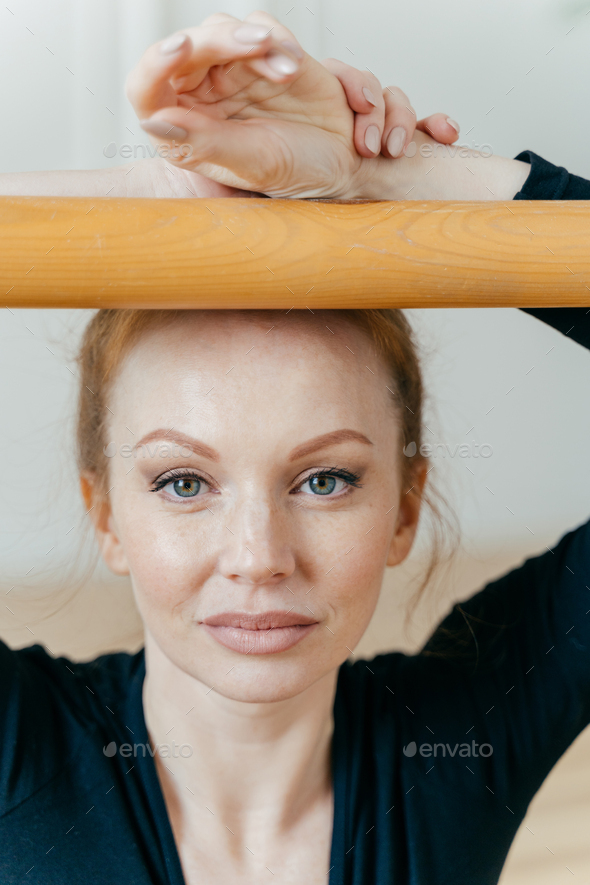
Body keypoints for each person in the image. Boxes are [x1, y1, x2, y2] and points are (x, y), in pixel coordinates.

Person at [1, 11, 589, 885]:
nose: (258, 558)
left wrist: (388, 177)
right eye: (184, 481)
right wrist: (162, 195)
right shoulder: (23, 751)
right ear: (105, 513)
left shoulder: (461, 742)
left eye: (324, 478)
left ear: (404, 504)